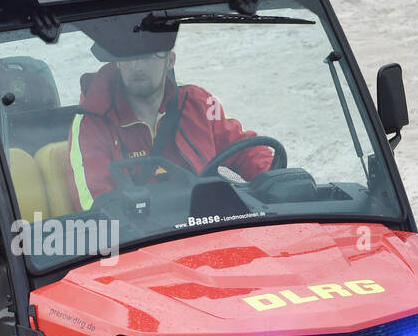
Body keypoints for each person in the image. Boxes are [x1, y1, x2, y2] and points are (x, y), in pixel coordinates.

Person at [67, 20, 274, 210]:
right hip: (143, 241)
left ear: (170, 61)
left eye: (149, 55)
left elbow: (246, 150)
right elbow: (95, 205)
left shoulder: (198, 103)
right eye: (128, 57)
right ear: (118, 63)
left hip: (210, 228)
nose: (137, 66)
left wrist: (275, 181)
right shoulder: (91, 121)